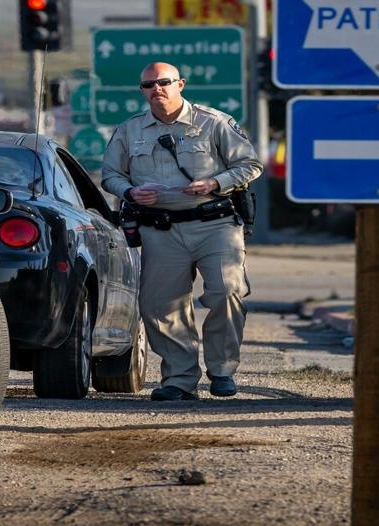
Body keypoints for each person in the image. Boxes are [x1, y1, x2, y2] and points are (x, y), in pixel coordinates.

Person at [102, 62, 263, 400]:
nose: (156, 89)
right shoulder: (129, 130)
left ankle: (221, 370)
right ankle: (179, 379)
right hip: (160, 227)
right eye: (148, 85)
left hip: (215, 223)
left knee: (226, 291)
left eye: (164, 82)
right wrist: (131, 192)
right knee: (160, 305)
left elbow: (250, 165)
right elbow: (111, 176)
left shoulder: (213, 122)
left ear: (180, 84)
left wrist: (216, 182)